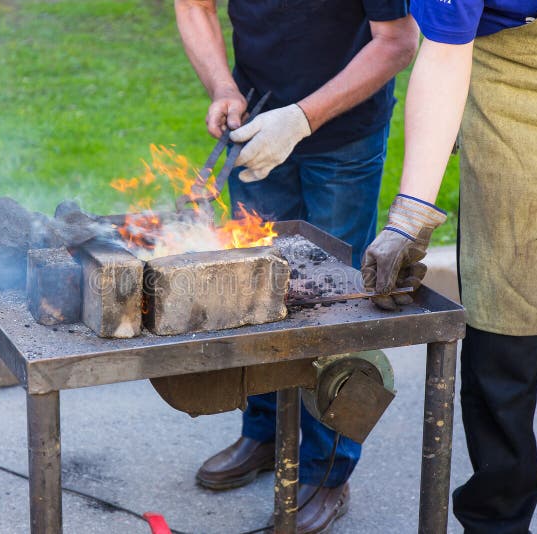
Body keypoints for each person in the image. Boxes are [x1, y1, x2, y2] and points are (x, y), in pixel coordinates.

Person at [361, 1, 537, 532]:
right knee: (502, 375)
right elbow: (443, 58)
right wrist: (410, 218)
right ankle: (498, 523)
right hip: (512, 133)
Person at [174, 1, 417, 531]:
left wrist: (301, 119)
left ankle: (327, 470)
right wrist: (222, 87)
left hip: (343, 136)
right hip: (255, 119)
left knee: (328, 306)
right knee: (253, 290)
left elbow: (398, 41)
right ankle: (264, 432)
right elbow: (194, 5)